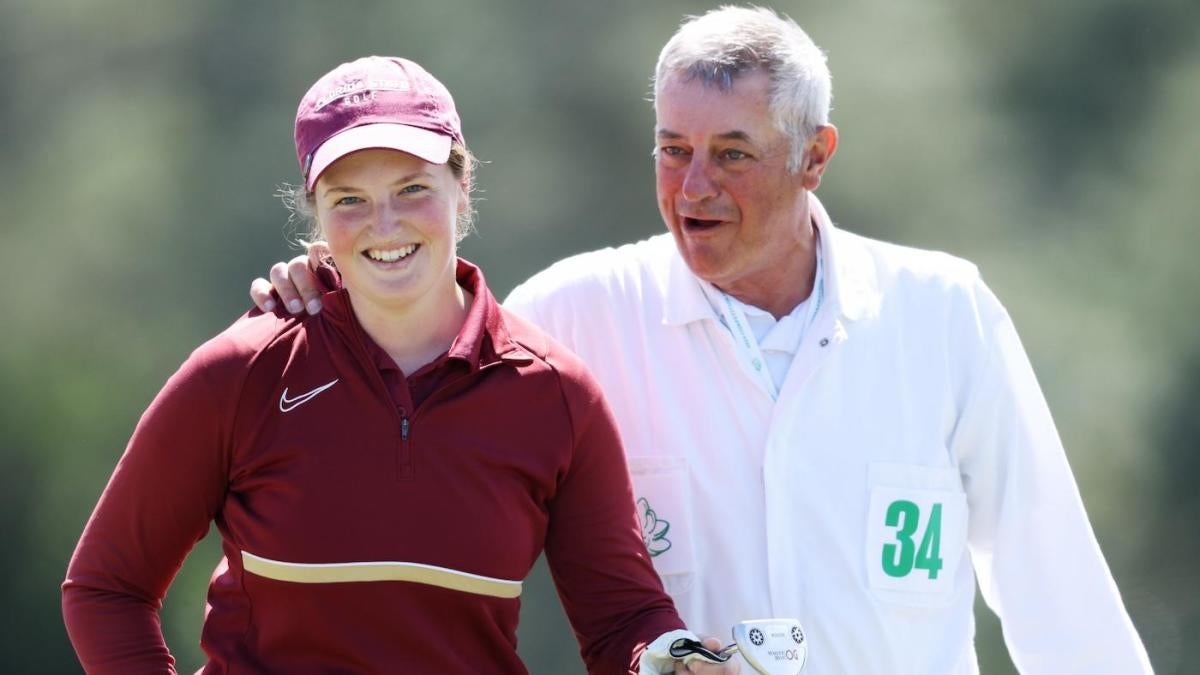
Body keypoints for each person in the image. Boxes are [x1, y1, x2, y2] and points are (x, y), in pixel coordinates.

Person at [250, 8, 1154, 674]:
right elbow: (411, 361)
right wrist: (327, 283)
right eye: (671, 148)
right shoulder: (577, 311)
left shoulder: (943, 312)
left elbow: (1058, 596)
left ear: (816, 155)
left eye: (732, 153)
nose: (692, 186)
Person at [62, 55, 739, 675]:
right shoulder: (244, 372)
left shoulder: (556, 394)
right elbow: (106, 587)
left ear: (462, 187)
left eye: (412, 188)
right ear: (317, 217)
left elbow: (621, 618)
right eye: (349, 199)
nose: (384, 224)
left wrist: (670, 660)